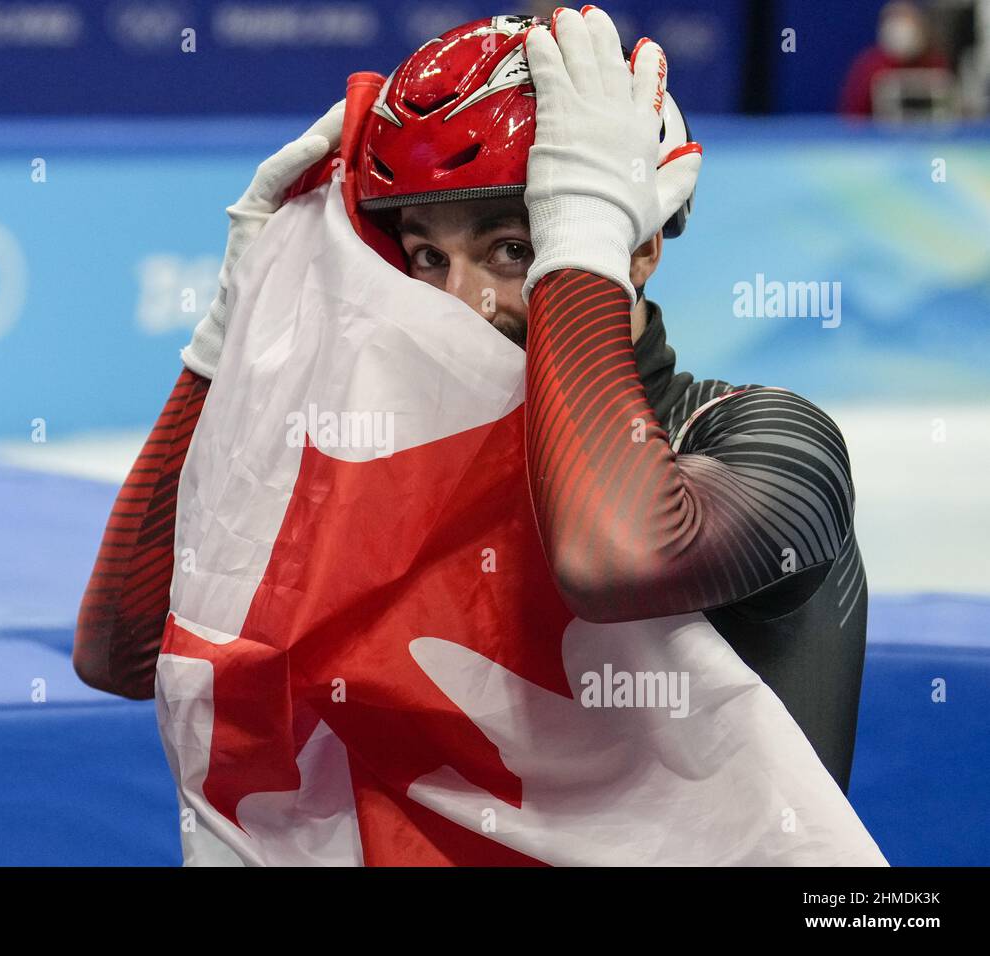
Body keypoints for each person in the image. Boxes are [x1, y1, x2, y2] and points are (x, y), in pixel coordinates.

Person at [76, 9, 868, 806]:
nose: (463, 303)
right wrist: (232, 339)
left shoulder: (769, 439)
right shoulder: (388, 470)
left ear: (640, 246)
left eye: (513, 248)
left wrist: (580, 241)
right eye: (427, 256)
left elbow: (612, 562)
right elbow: (130, 654)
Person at [840, 0, 950, 115]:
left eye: (908, 21)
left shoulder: (935, 65)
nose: (901, 30)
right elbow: (853, 117)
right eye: (896, 20)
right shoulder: (870, 68)